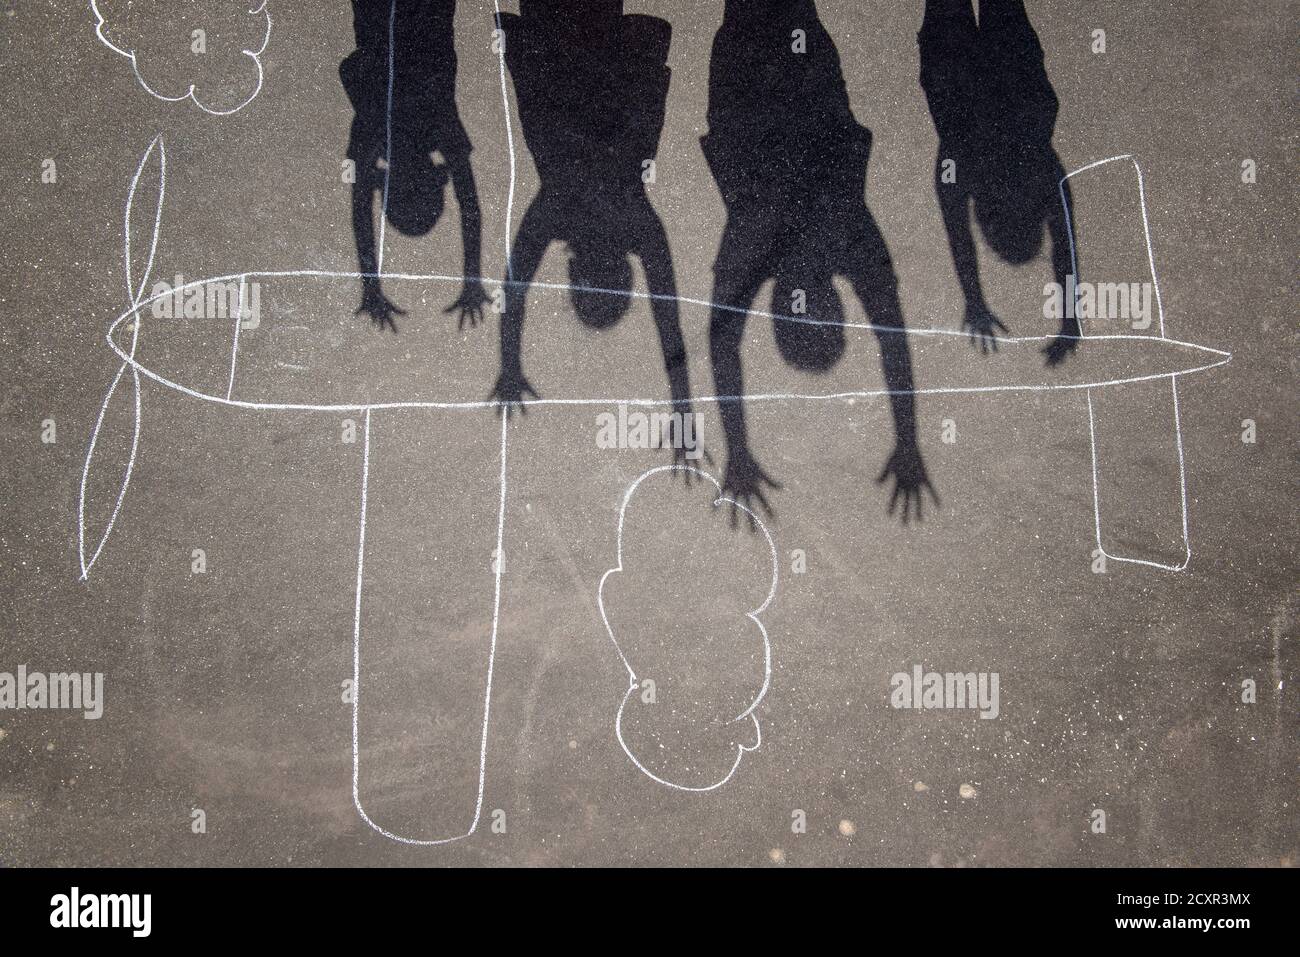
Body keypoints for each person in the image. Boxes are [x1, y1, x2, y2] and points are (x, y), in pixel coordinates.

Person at [704, 0, 937, 523]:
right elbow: (722, 346)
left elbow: (891, 337)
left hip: (776, 76)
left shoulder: (840, 240)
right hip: (755, 83)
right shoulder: (813, 241)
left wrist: (908, 438)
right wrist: (737, 448)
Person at [489, 0, 694, 453]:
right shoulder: (562, 210)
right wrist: (509, 362)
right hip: (558, 57)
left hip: (599, 60)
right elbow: (515, 286)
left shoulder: (625, 220)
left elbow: (669, 317)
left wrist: (683, 407)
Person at [919, 0, 1080, 364]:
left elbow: (1063, 244)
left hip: (1008, 64)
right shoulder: (963, 169)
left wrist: (1071, 318)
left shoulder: (1039, 168)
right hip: (956, 68)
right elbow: (959, 237)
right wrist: (974, 300)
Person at [341, 0, 489, 332]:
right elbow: (361, 208)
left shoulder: (434, 128)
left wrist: (472, 277)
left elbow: (470, 206)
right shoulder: (376, 128)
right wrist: (370, 283)